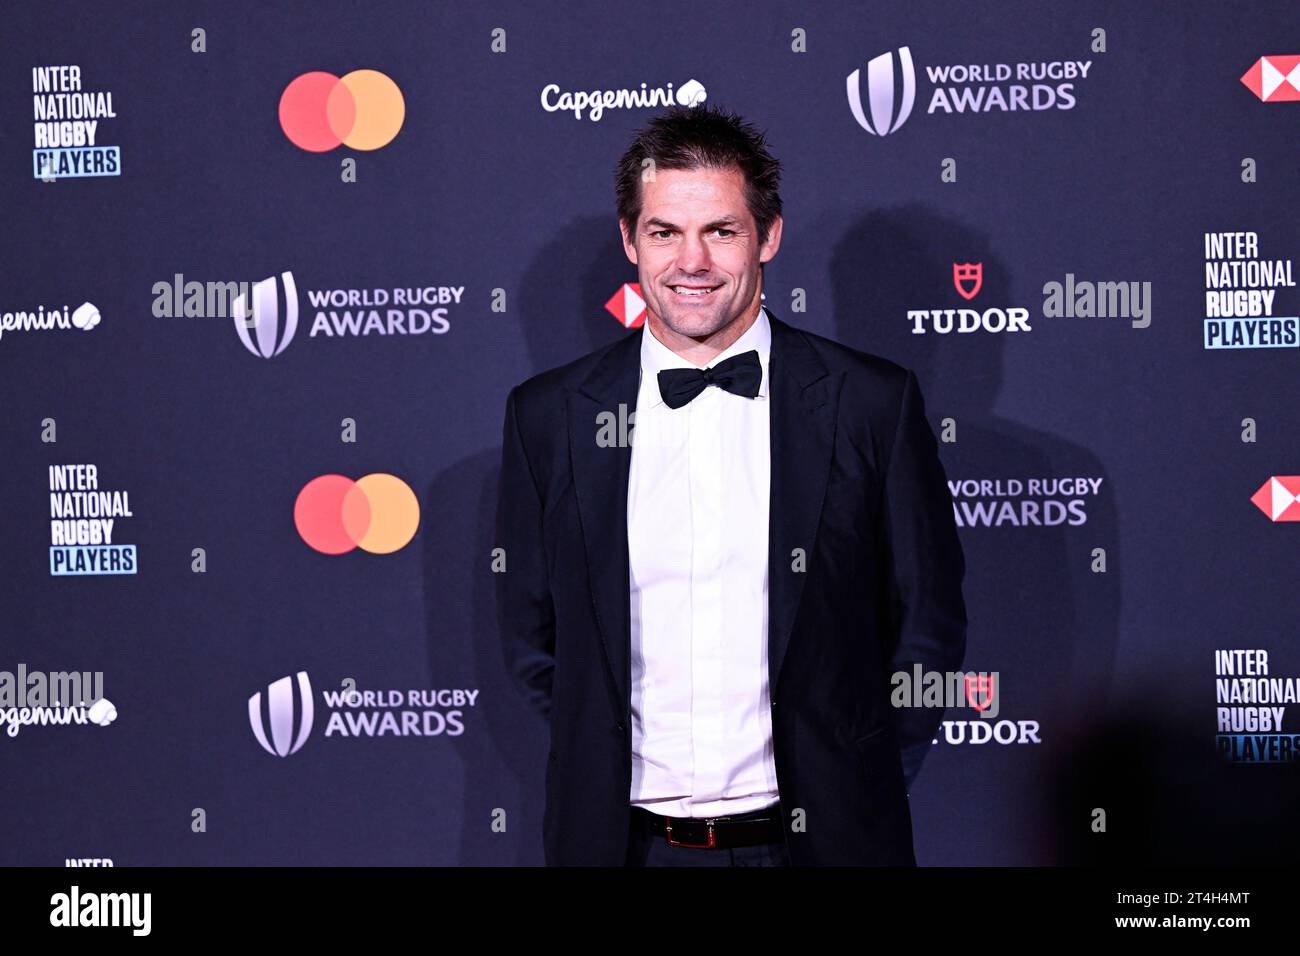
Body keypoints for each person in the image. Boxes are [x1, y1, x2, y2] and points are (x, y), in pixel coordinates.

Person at [494, 103, 967, 866]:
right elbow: (533, 639)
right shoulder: (549, 417)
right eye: (664, 232)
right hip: (626, 849)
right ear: (629, 241)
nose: (693, 262)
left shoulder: (872, 403)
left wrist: (857, 777)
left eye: (721, 230)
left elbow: (926, 628)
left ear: (768, 235)